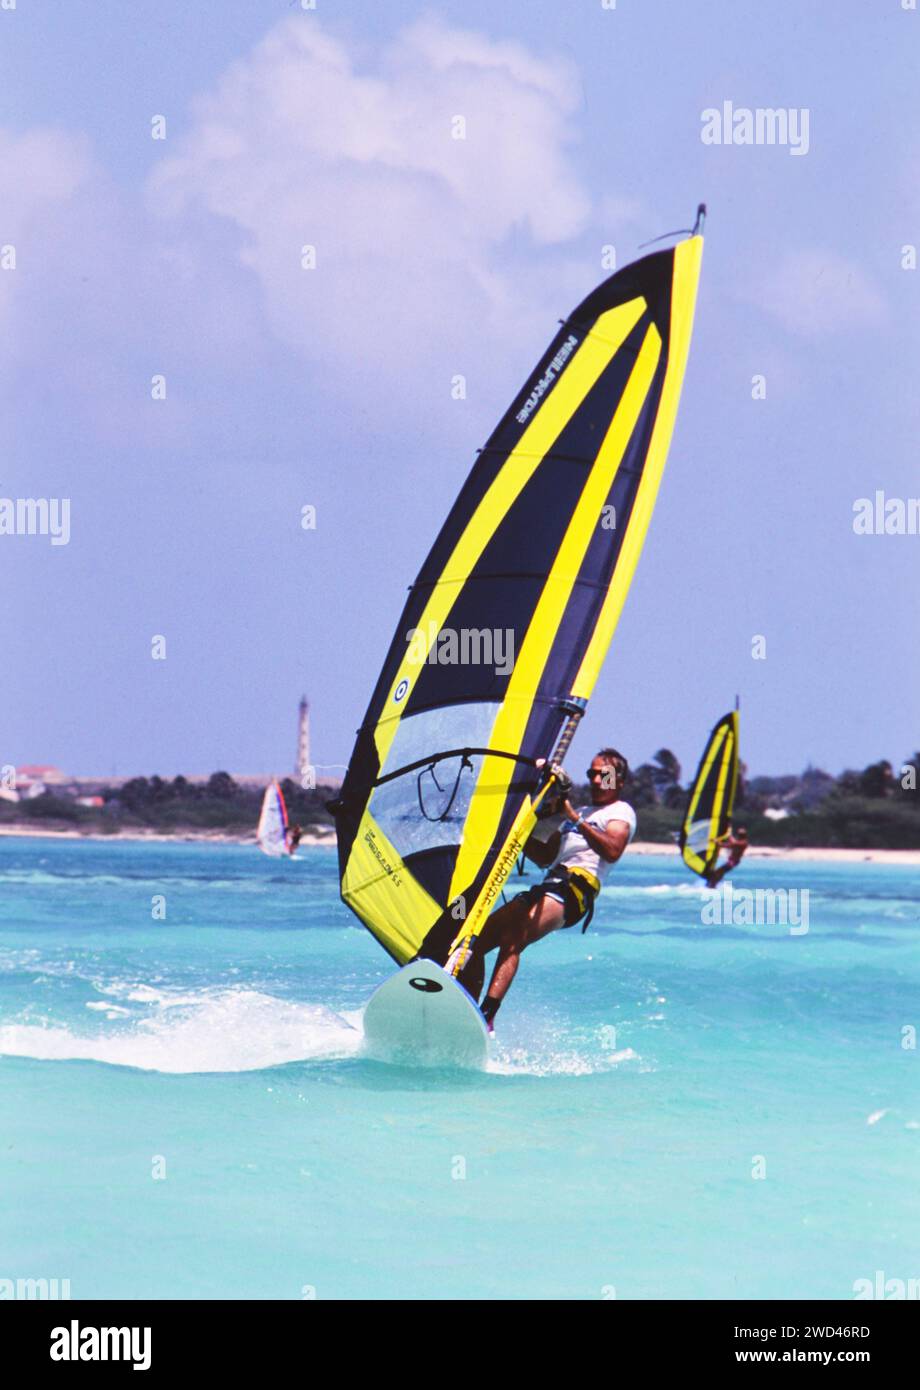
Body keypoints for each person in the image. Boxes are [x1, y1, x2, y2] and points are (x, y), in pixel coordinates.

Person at [458, 748, 636, 1030]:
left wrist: (575, 818)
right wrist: (520, 831)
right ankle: (466, 1010)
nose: (597, 780)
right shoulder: (578, 814)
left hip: (576, 890)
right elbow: (544, 857)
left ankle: (487, 1016)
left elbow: (613, 850)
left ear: (620, 781)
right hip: (550, 883)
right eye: (592, 774)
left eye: (605, 775)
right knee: (475, 942)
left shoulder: (619, 812)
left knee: (514, 937)